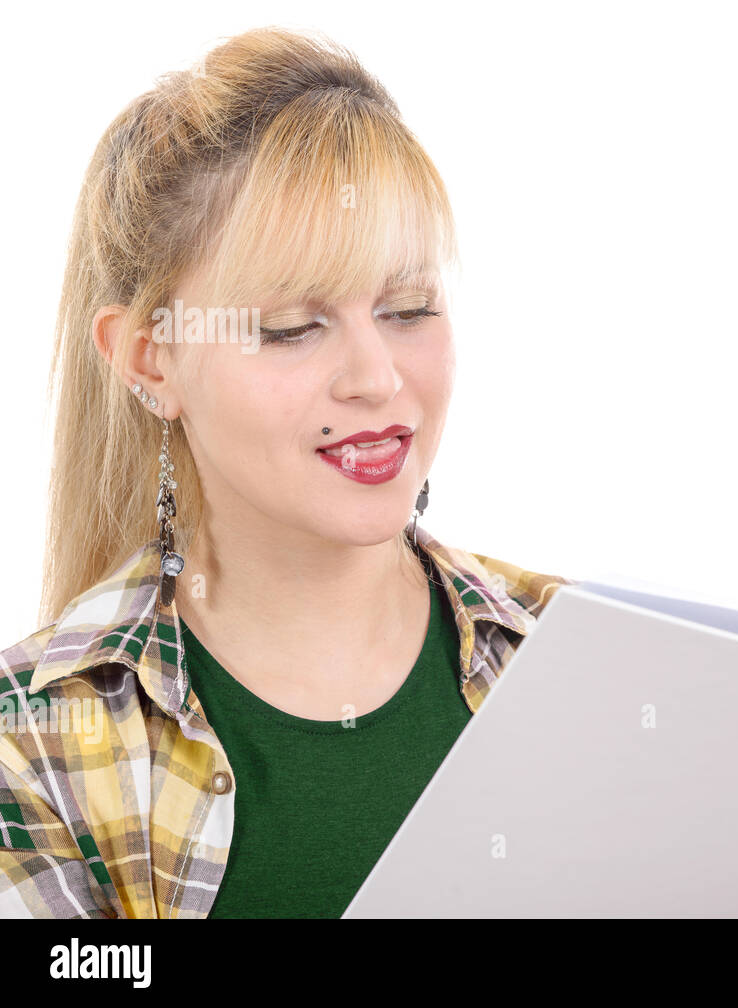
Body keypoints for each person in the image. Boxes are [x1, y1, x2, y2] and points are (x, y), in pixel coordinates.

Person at [0, 25, 572, 919]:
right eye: (292, 328)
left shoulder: (574, 655)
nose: (378, 379)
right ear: (152, 363)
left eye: (408, 308)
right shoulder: (31, 750)